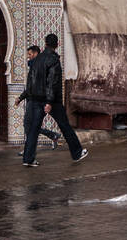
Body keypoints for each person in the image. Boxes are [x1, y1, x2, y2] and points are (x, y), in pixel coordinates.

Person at [22, 33, 88, 167]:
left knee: (34, 128)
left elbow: (30, 81)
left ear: (45, 43)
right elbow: (53, 82)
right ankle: (77, 152)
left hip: (35, 99)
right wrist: (49, 102)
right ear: (57, 45)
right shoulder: (53, 60)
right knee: (64, 126)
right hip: (51, 101)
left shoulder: (37, 59)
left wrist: (30, 96)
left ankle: (28, 159)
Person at [17, 45, 60, 153]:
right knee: (31, 125)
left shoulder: (38, 66)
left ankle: (29, 150)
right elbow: (30, 87)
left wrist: (48, 101)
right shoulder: (34, 66)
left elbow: (42, 85)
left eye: (30, 54)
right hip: (33, 100)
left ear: (36, 53)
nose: (28, 57)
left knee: (29, 125)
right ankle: (52, 135)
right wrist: (21, 98)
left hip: (36, 101)